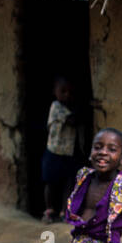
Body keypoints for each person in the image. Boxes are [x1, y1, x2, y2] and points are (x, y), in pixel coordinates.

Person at [41, 76, 81, 224]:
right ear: (54, 92)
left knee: (68, 183)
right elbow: (73, 120)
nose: (67, 95)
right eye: (63, 91)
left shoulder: (68, 107)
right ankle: (49, 211)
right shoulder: (56, 107)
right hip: (54, 151)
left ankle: (65, 212)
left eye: (70, 92)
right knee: (50, 182)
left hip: (68, 152)